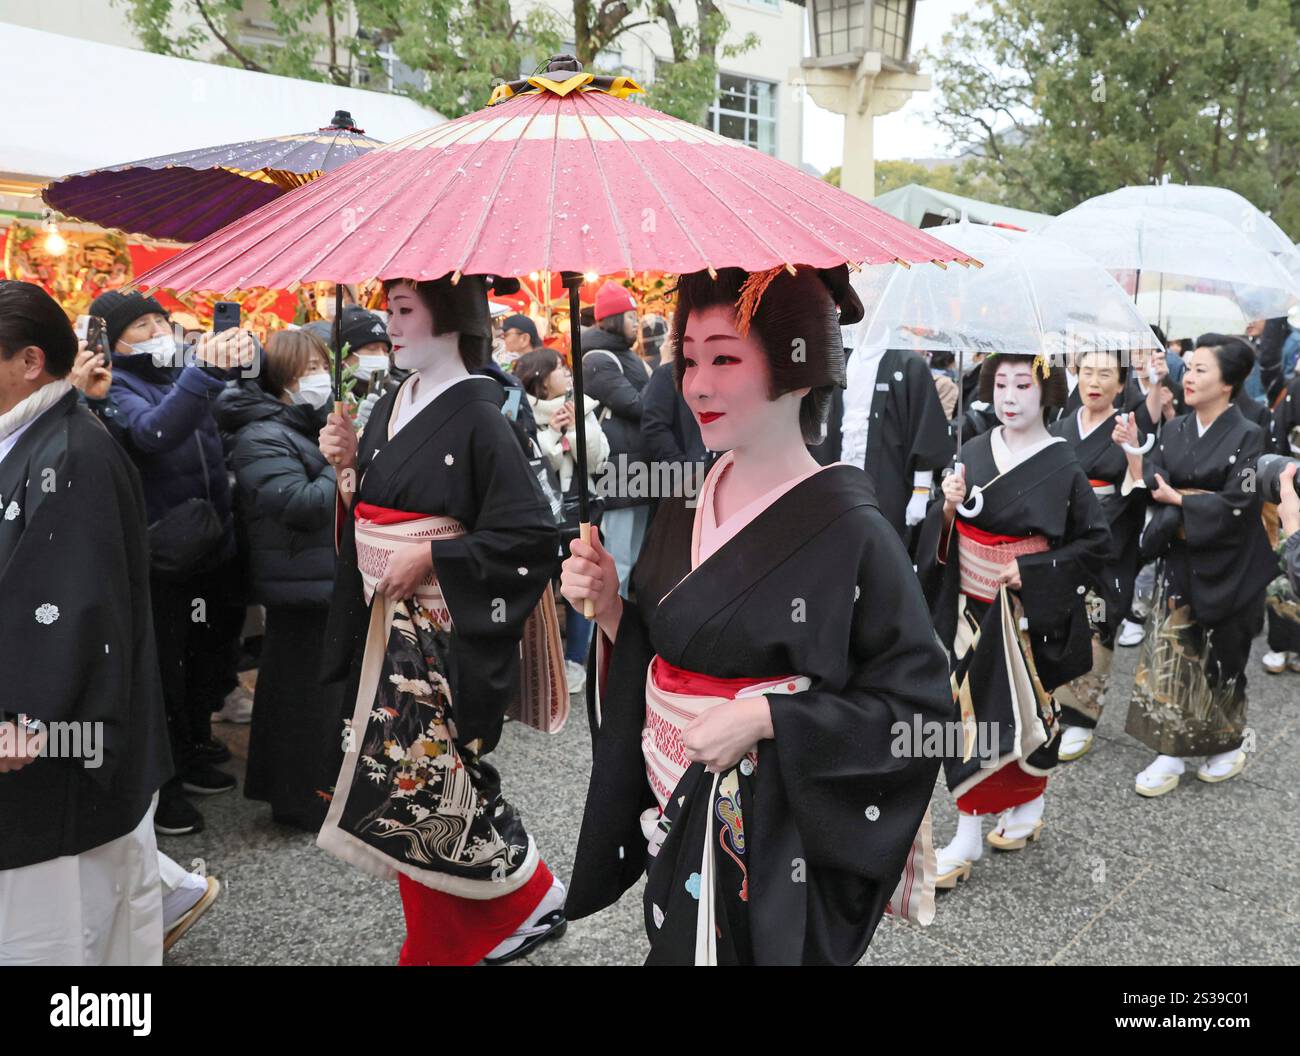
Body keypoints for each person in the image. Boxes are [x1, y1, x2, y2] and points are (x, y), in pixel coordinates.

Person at [560, 265, 951, 965]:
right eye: (689, 357)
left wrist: (772, 720)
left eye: (725, 357)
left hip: (770, 845)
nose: (697, 383)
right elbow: (667, 644)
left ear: (799, 368)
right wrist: (614, 607)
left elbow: (918, 714)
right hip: (673, 810)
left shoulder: (853, 530)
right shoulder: (685, 496)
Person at [316, 273, 566, 966]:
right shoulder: (392, 400)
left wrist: (432, 560)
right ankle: (520, 900)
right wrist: (345, 471)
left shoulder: (482, 415)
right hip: (383, 621)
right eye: (388, 311)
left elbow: (529, 535)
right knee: (409, 781)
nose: (389, 326)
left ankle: (466, 928)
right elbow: (372, 502)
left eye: (403, 311)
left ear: (451, 316)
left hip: (438, 629)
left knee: (422, 780)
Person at [0, 280, 172, 964]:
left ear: (29, 361)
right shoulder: (36, 436)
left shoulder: (70, 452)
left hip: (58, 734)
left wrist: (29, 718)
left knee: (61, 925)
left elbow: (71, 605)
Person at [918, 352, 1109, 888]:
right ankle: (968, 830)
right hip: (969, 606)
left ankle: (1026, 800)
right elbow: (941, 540)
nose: (1008, 395)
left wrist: (1033, 569)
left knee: (1027, 712)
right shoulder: (974, 449)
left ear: (1045, 393)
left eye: (1022, 384)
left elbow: (1096, 542)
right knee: (965, 715)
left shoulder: (1062, 462)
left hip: (1025, 610)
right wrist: (948, 510)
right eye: (1000, 383)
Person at [90, 289, 257, 836]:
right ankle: (162, 788)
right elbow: (153, 434)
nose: (158, 330)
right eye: (141, 325)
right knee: (164, 668)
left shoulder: (177, 372)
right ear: (111, 340)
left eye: (160, 320)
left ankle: (190, 748)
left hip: (208, 549)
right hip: (162, 555)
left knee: (202, 657)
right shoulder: (116, 386)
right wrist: (202, 372)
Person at [1118, 336, 1278, 796]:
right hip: (1181, 556)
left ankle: (1225, 745)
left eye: (1201, 370)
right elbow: (1155, 481)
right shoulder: (1175, 429)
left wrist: (1180, 500)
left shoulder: (1250, 432)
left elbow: (1241, 501)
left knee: (1224, 655)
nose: (1187, 377)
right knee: (1173, 650)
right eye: (1187, 368)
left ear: (1228, 383)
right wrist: (1134, 451)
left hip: (1230, 560)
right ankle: (1169, 749)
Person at [214, 330, 343, 830]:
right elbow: (299, 504)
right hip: (297, 581)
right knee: (298, 696)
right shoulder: (259, 433)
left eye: (323, 364)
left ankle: (317, 790)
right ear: (282, 376)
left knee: (314, 693)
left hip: (321, 576)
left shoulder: (302, 423)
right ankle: (297, 798)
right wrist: (340, 464)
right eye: (308, 366)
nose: (318, 376)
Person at [1049, 348, 1145, 760]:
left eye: (1106, 374)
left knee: (1097, 625)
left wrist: (1133, 453)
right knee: (1057, 625)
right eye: (1087, 371)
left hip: (1106, 546)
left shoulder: (1126, 431)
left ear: (1121, 384)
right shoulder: (1060, 426)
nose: (1094, 381)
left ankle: (1082, 718)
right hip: (1060, 539)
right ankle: (1052, 705)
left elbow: (1136, 493)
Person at [514, 345, 610, 696]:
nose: (567, 374)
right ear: (540, 377)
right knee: (536, 590)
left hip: (578, 513)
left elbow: (599, 458)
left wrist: (577, 427)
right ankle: (537, 662)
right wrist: (553, 435)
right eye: (559, 368)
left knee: (580, 587)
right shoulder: (521, 413)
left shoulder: (582, 408)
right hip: (538, 518)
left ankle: (575, 663)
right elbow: (536, 465)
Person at [826, 327, 954, 539]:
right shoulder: (842, 359)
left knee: (884, 544)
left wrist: (921, 490)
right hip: (842, 474)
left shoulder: (909, 364)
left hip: (889, 477)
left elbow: (923, 427)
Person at [581, 281, 651, 594]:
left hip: (641, 468)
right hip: (620, 470)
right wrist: (662, 375)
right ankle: (608, 634)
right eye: (630, 316)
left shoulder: (628, 357)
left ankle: (621, 628)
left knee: (634, 558)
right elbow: (636, 405)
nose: (637, 323)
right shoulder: (596, 358)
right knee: (617, 560)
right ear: (613, 319)